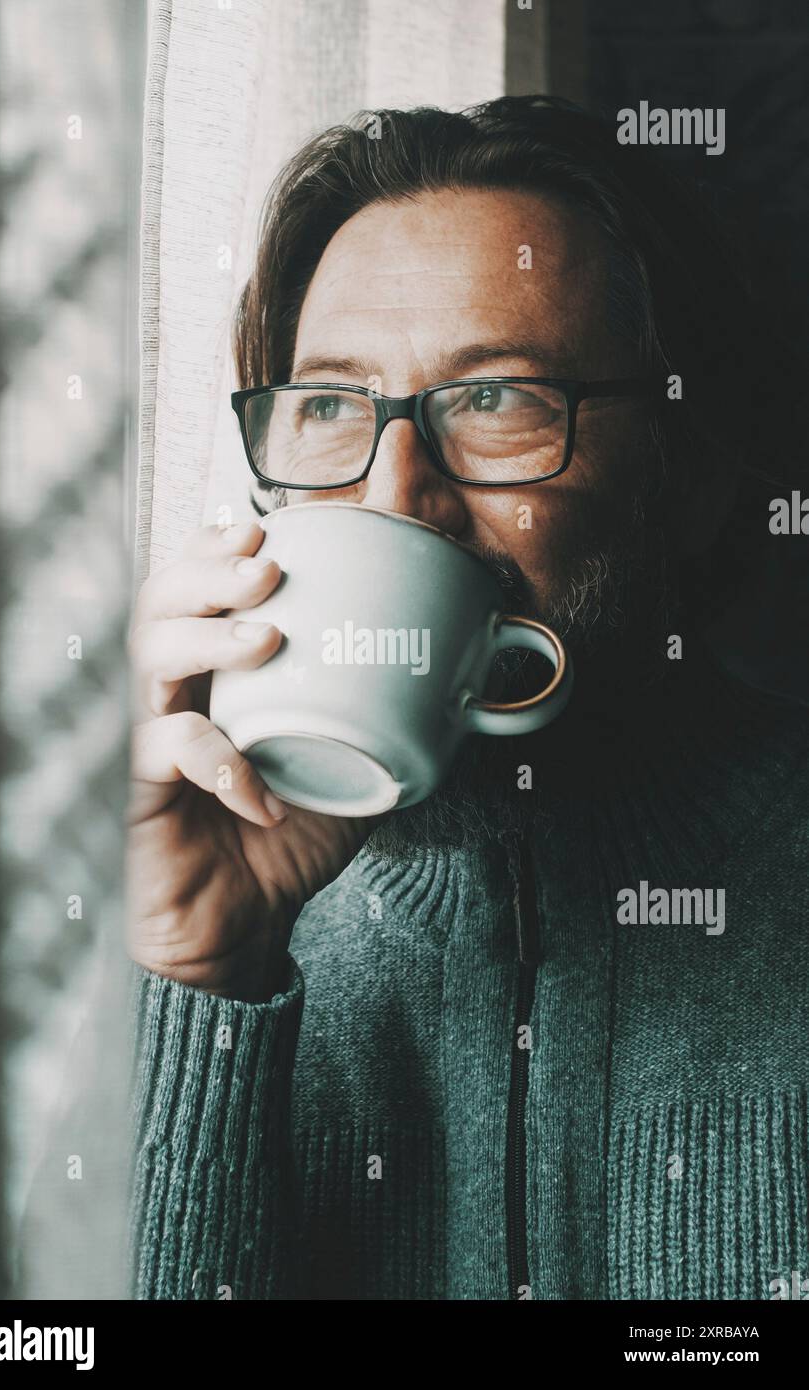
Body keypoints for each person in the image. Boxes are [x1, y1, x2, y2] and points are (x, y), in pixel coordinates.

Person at [125, 96, 809, 1300]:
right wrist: (199, 979)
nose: (397, 492)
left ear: (686, 473)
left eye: (495, 400)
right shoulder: (201, 914)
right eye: (330, 407)